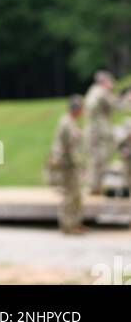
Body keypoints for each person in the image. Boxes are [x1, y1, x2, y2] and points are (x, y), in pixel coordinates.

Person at [45, 95, 85, 235]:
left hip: (67, 164)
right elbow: (71, 148)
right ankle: (68, 226)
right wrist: (80, 166)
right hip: (67, 166)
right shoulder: (68, 123)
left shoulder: (67, 120)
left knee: (74, 195)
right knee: (70, 195)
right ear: (77, 109)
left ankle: (74, 223)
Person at [83, 69, 120, 194]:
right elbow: (115, 105)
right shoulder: (102, 92)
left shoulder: (92, 91)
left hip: (92, 130)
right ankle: (95, 186)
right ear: (104, 82)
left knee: (95, 158)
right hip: (99, 131)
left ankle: (94, 186)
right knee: (100, 158)